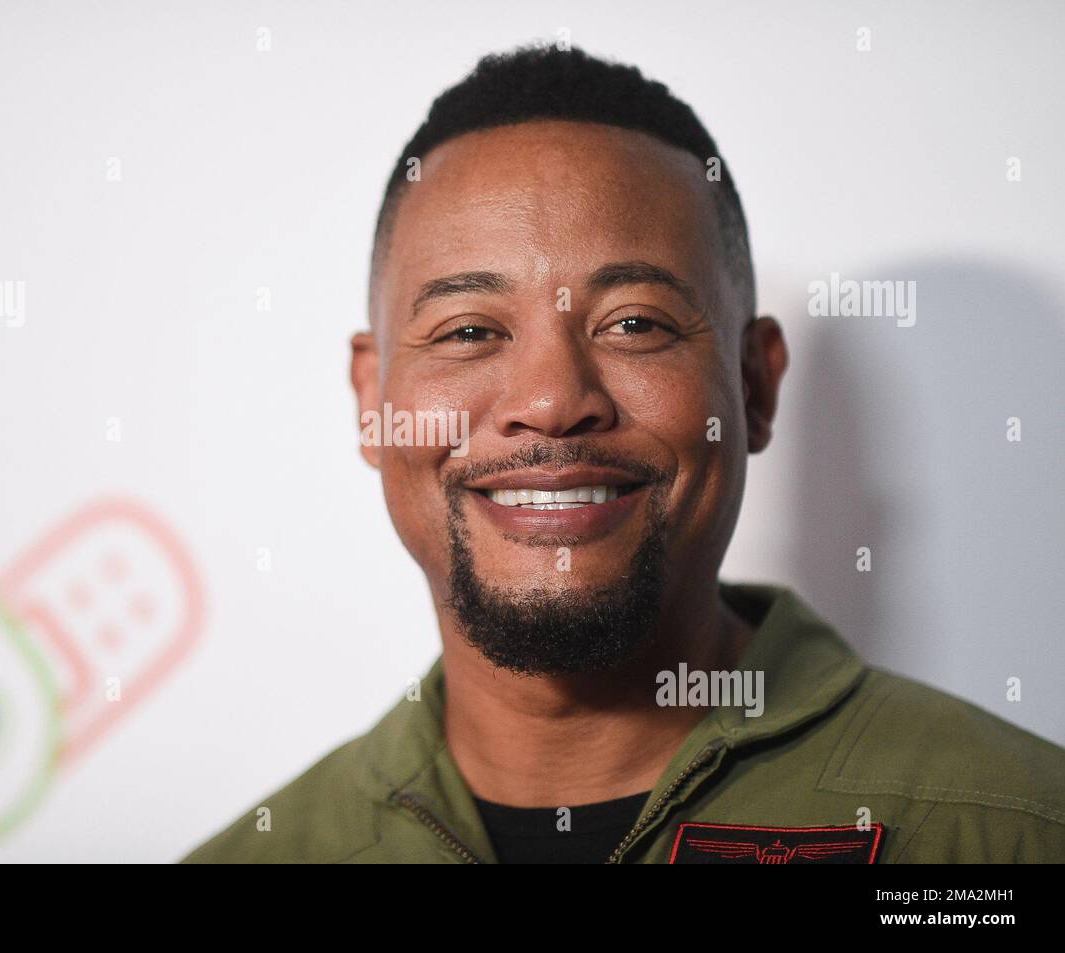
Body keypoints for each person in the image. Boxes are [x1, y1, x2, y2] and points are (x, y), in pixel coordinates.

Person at [183, 43, 1065, 863]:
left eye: (635, 323)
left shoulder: (1010, 830)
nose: (552, 401)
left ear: (754, 386)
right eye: (469, 330)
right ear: (373, 402)